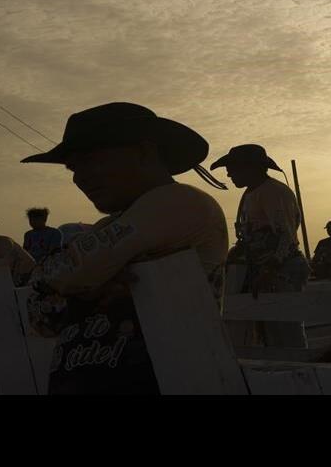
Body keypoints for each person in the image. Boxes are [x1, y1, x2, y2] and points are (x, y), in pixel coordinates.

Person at [23, 102, 229, 394]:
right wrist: (79, 286)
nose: (79, 177)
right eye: (73, 168)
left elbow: (71, 273)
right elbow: (39, 315)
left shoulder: (181, 202)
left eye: (91, 160)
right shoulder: (109, 227)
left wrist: (71, 285)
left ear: (145, 151)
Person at [210, 143, 308, 347]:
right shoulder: (251, 193)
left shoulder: (273, 191)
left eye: (233, 169)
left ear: (249, 168)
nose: (229, 174)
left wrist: (270, 269)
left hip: (279, 269)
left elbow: (286, 235)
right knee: (264, 330)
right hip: (260, 269)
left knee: (283, 329)